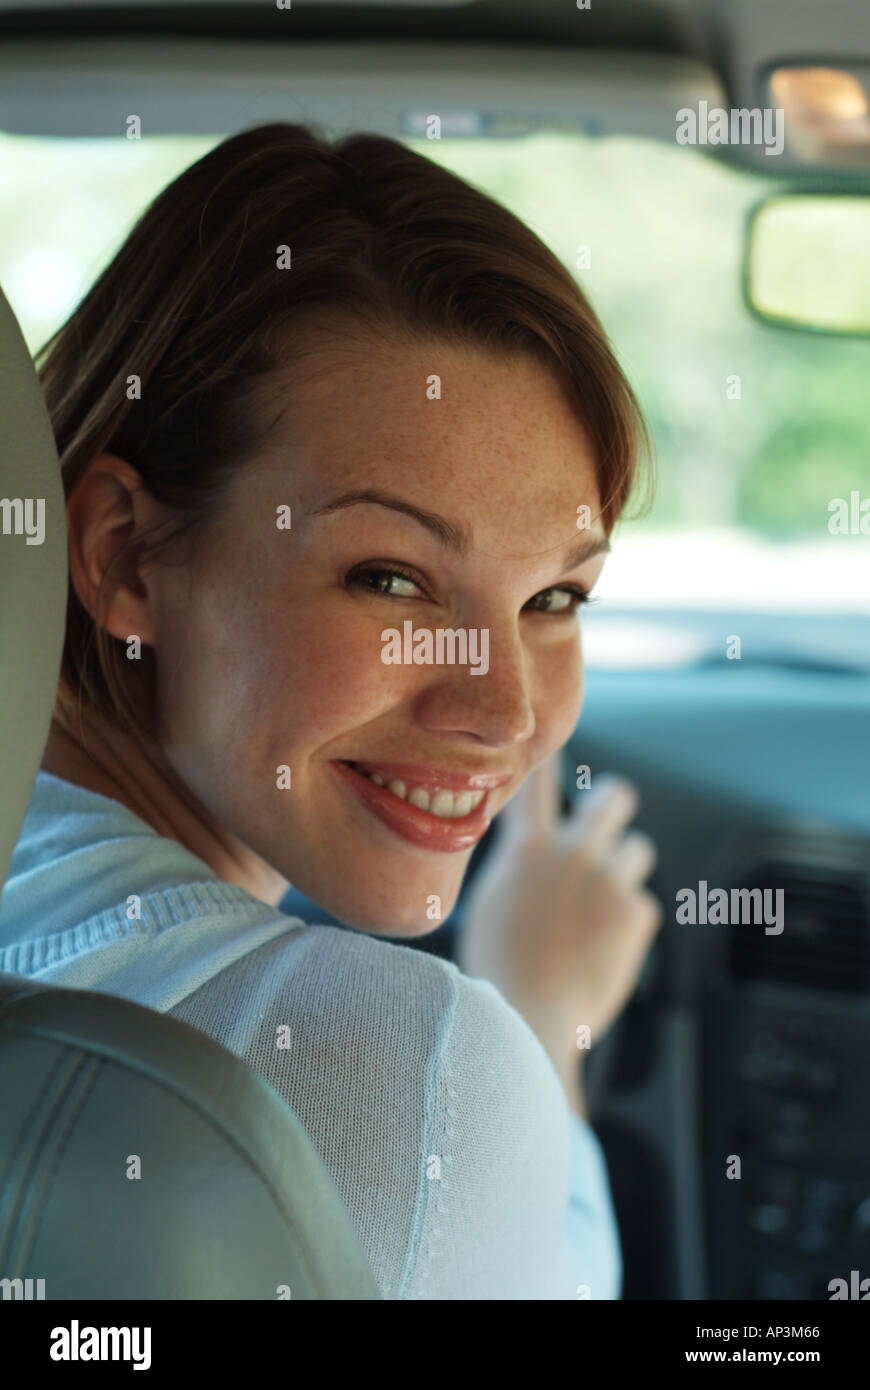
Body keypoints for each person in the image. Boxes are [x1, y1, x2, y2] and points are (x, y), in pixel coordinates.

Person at [0, 123, 661, 1299]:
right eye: (391, 577)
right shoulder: (407, 1072)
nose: (505, 710)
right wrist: (537, 1014)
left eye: (557, 596)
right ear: (126, 556)